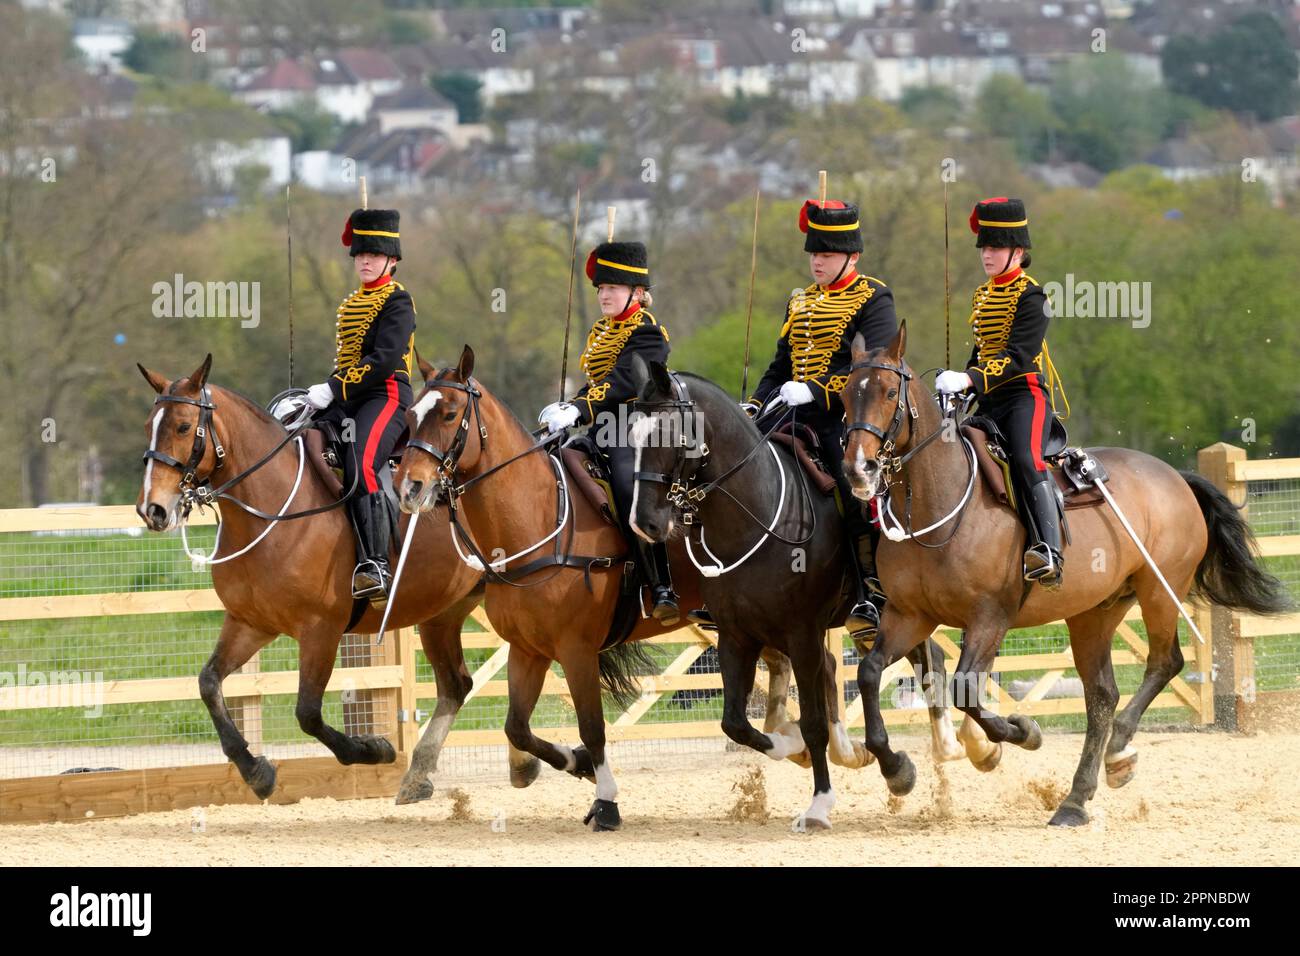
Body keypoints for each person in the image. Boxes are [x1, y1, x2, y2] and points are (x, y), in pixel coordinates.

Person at [740, 198, 899, 638]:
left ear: (852, 256)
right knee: (733, 470)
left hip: (843, 415)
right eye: (813, 254)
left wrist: (815, 388)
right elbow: (780, 364)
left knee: (854, 490)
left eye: (826, 254)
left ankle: (872, 587)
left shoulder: (873, 297)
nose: (817, 262)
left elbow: (873, 363)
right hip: (786, 409)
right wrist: (757, 402)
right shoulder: (801, 302)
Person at [537, 240, 680, 624]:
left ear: (636, 292)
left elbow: (622, 382)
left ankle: (660, 585)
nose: (603, 295)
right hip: (602, 425)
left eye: (612, 287)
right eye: (601, 288)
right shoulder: (601, 331)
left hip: (637, 427)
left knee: (628, 488)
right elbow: (597, 383)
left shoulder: (649, 332)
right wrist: (569, 405)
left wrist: (581, 406)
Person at [935, 197, 1066, 589]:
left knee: (1026, 458)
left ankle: (1048, 549)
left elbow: (1017, 357)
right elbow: (982, 353)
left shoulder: (1033, 297)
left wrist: (970, 379)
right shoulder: (982, 296)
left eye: (995, 248)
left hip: (1024, 397)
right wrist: (958, 383)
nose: (987, 256)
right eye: (985, 249)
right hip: (988, 402)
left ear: (1019, 252)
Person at [302, 207, 416, 604]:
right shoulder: (353, 302)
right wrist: (320, 396)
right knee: (299, 437)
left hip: (386, 395)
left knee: (361, 460)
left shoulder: (398, 302)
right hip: (350, 397)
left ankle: (375, 563)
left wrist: (333, 386)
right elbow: (349, 359)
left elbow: (384, 359)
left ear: (392, 259)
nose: (364, 261)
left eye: (373, 254)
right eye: (359, 255)